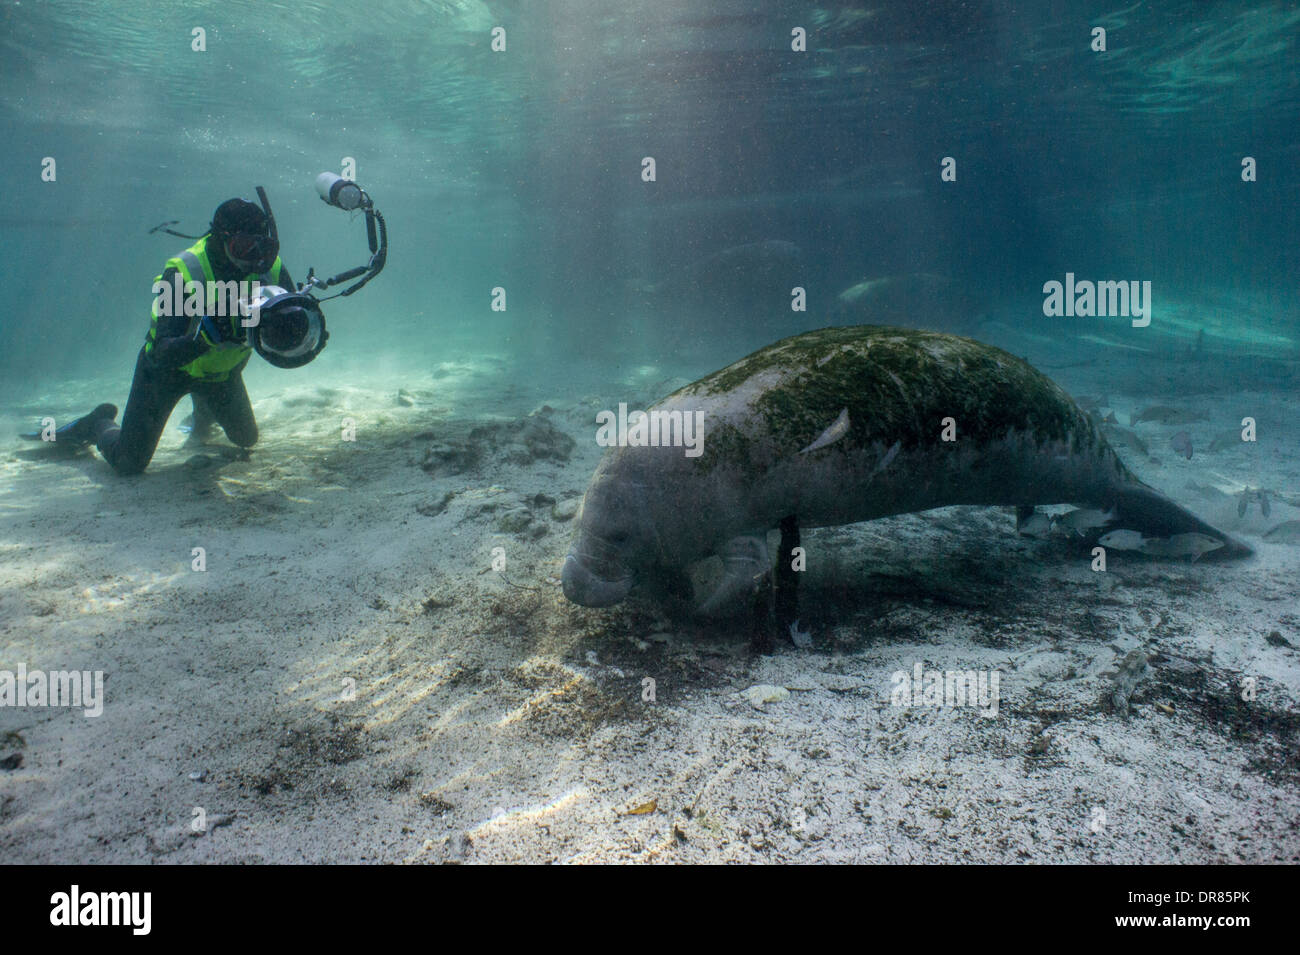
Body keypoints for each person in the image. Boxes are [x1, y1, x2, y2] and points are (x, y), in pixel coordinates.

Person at [50, 198, 295, 474]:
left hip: (221, 375)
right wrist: (207, 338)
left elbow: (293, 326)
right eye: (244, 248)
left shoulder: (270, 268)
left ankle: (203, 409)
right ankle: (95, 424)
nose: (254, 260)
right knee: (129, 464)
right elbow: (161, 352)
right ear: (221, 239)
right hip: (165, 375)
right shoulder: (184, 272)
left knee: (246, 440)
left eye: (263, 247)